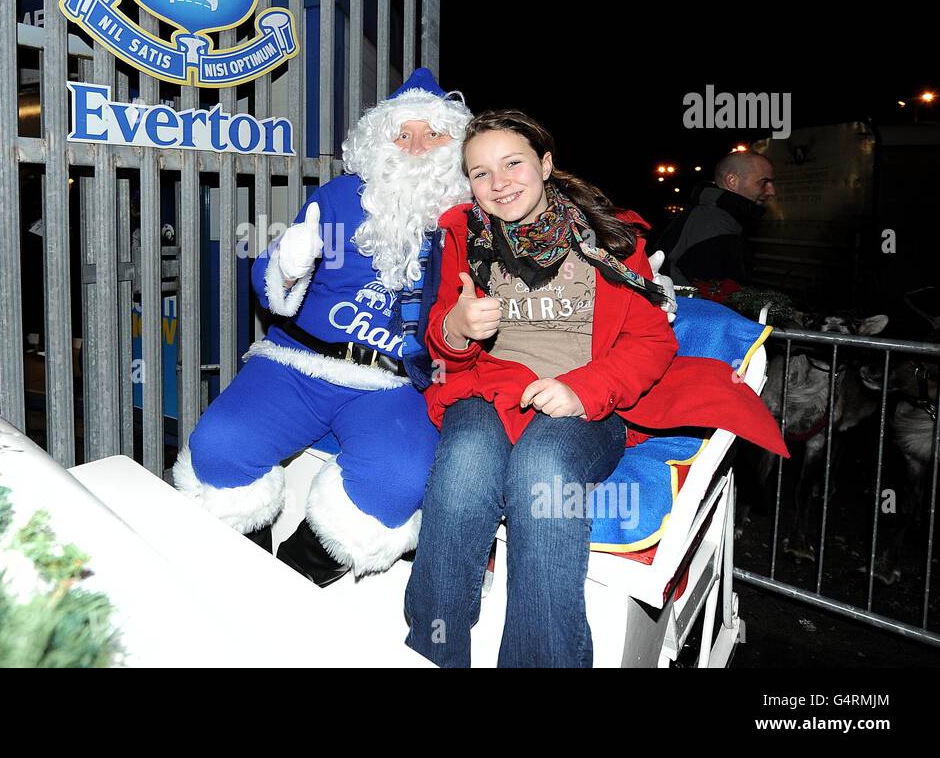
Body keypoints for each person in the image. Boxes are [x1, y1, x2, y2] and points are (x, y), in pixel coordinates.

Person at [404, 109, 785, 667]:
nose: (499, 182)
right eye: (480, 173)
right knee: (464, 459)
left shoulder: (607, 239)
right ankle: (432, 650)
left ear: (546, 164)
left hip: (587, 402)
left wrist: (584, 389)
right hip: (489, 390)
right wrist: (457, 329)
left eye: (513, 163)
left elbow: (652, 340)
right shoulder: (463, 235)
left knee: (545, 470)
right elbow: (441, 341)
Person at [171, 69, 473, 585]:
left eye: (434, 134)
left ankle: (289, 583)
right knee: (219, 449)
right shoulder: (338, 197)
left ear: (458, 144)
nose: (417, 146)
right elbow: (274, 278)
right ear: (379, 144)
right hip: (298, 363)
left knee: (395, 482)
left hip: (395, 383)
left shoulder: (477, 217)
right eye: (402, 134)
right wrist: (287, 266)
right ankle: (238, 573)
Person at [654, 150, 777, 297]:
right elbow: (717, 298)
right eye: (764, 182)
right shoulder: (712, 222)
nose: (772, 191)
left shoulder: (723, 217)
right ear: (732, 181)